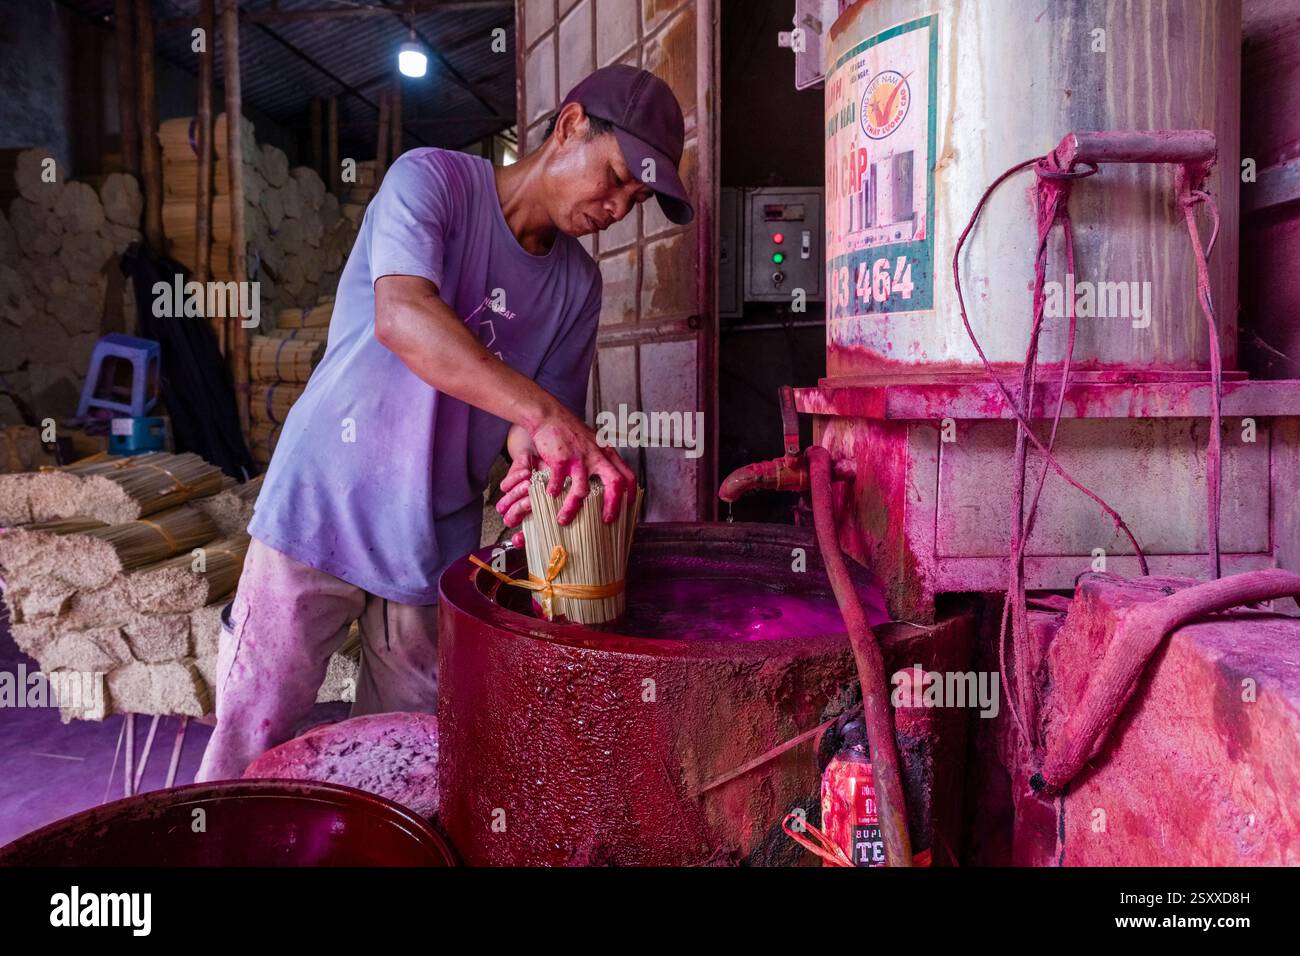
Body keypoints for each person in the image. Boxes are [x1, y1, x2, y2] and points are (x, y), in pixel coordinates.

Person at [196, 65, 695, 781]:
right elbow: (403, 316)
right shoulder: (430, 180)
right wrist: (545, 417)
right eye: (616, 176)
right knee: (255, 730)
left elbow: (531, 429)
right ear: (571, 124)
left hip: (431, 536)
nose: (618, 207)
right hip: (325, 499)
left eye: (637, 198)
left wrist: (537, 472)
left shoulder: (577, 286)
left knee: (403, 759)